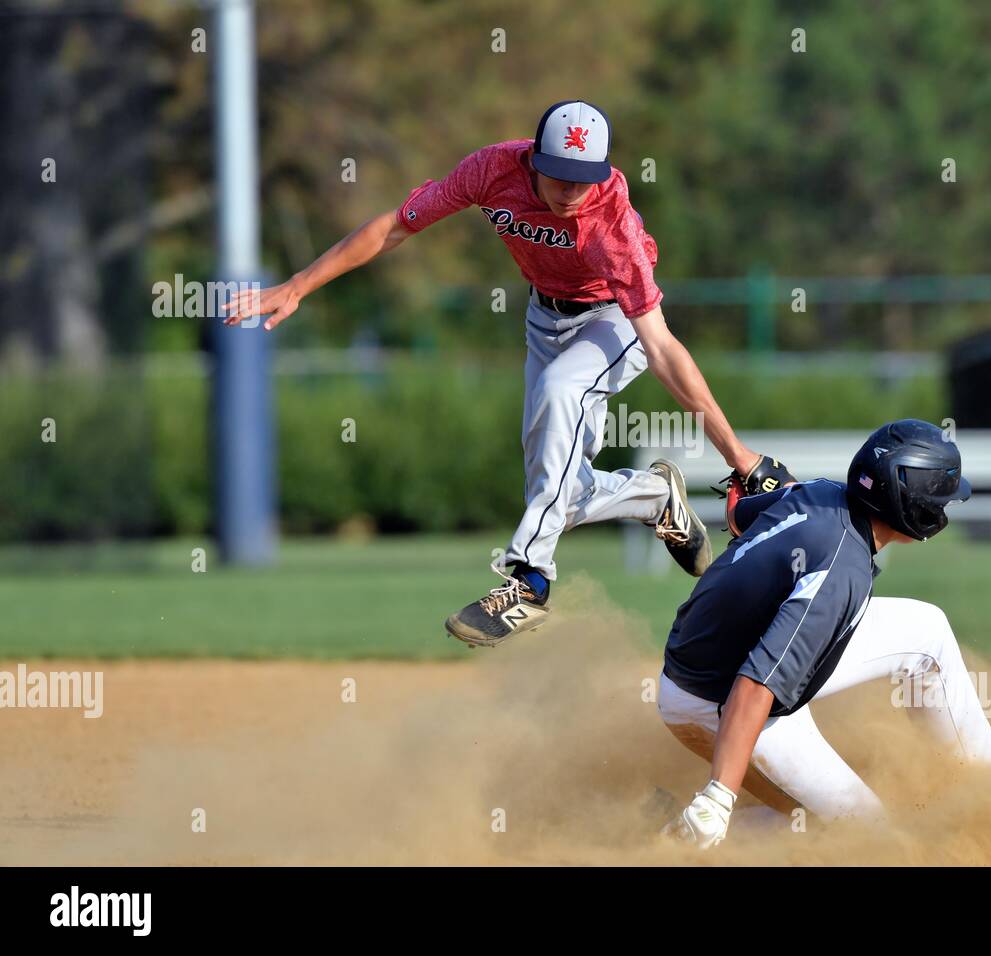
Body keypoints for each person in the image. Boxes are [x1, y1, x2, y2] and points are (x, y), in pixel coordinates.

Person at [221, 100, 794, 646]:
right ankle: (651, 497)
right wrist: (298, 285)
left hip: (614, 323)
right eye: (559, 174)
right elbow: (396, 227)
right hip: (544, 319)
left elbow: (663, 347)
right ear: (533, 161)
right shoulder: (493, 170)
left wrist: (736, 456)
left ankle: (529, 581)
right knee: (554, 491)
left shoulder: (612, 226)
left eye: (584, 176)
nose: (572, 190)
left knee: (561, 391)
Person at [658, 419, 991, 849]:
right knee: (870, 838)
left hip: (719, 652)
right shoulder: (841, 574)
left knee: (927, 633)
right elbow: (756, 683)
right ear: (913, 505)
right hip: (719, 698)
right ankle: (678, 836)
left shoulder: (820, 492)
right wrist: (718, 797)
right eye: (938, 496)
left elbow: (739, 515)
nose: (942, 505)